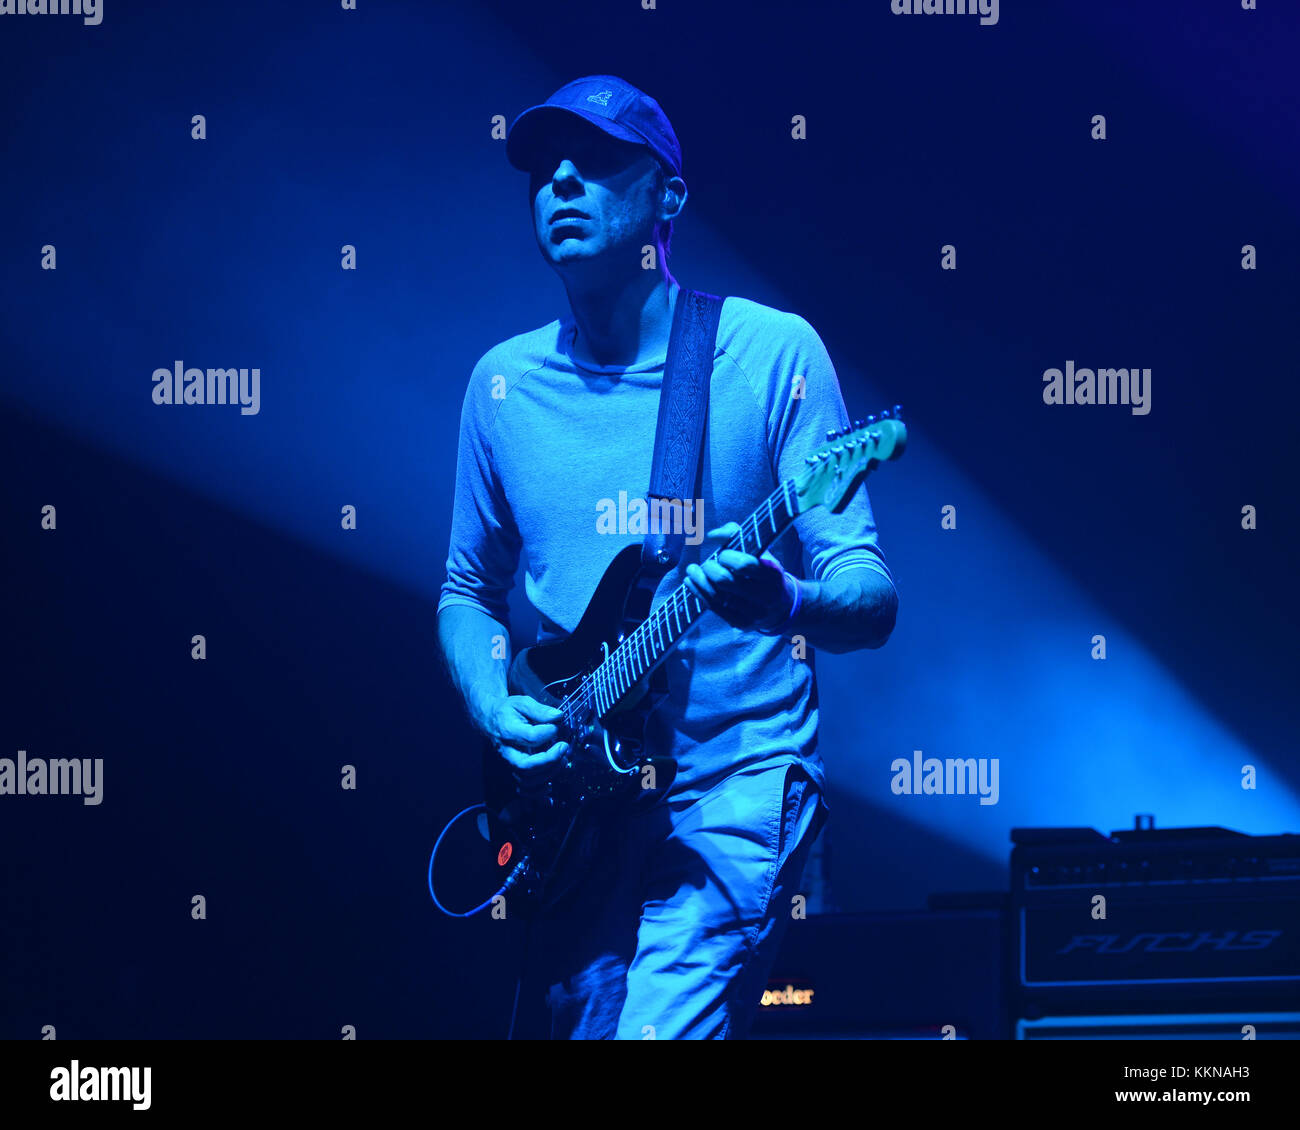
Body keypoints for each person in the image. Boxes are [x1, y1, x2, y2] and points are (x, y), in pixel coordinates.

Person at [437, 74, 898, 1039]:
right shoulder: (501, 387)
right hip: (574, 802)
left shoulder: (769, 354)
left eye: (597, 161)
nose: (560, 179)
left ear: (669, 198)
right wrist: (492, 703)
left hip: (735, 781)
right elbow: (466, 592)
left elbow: (870, 596)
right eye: (542, 166)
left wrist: (789, 603)